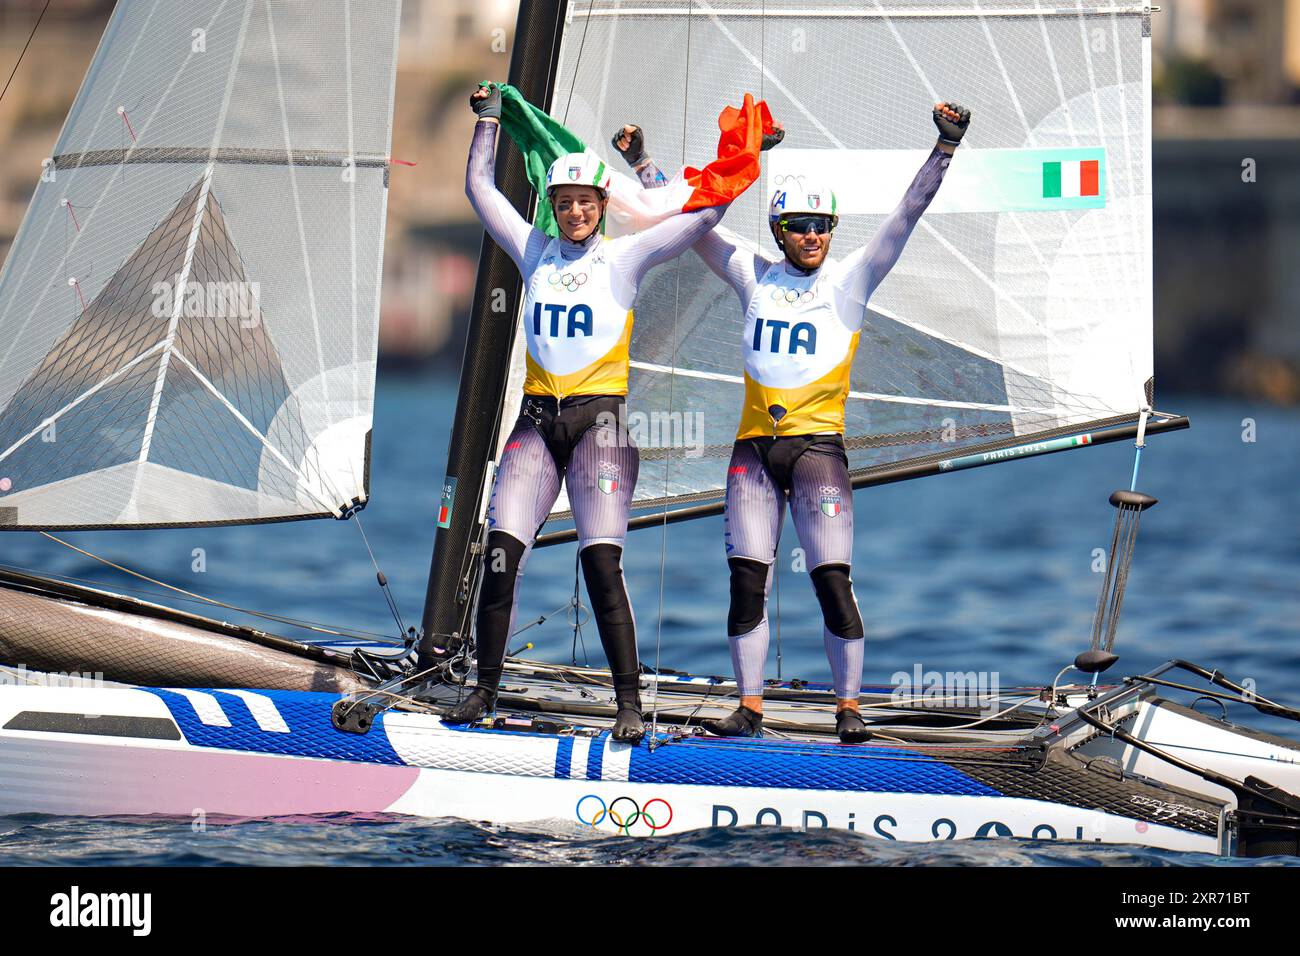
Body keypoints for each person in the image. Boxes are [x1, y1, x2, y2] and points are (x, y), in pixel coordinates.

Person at [613, 102, 970, 742]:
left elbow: (906, 216)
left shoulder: (851, 280)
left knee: (832, 581)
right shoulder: (752, 273)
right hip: (754, 453)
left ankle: (849, 710)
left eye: (822, 226)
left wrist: (944, 147)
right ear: (780, 230)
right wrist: (643, 164)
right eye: (800, 226)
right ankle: (749, 708)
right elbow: (692, 217)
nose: (812, 236)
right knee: (746, 582)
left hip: (818, 454)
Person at [447, 83, 756, 743]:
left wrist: (745, 159)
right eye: (564, 203)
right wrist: (489, 120)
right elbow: (479, 189)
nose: (576, 212)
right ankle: (483, 690)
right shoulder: (533, 250)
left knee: (600, 564)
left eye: (586, 202)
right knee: (500, 554)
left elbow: (703, 217)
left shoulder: (625, 255)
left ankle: (629, 704)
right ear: (553, 205)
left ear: (602, 204)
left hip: (601, 431)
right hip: (536, 425)